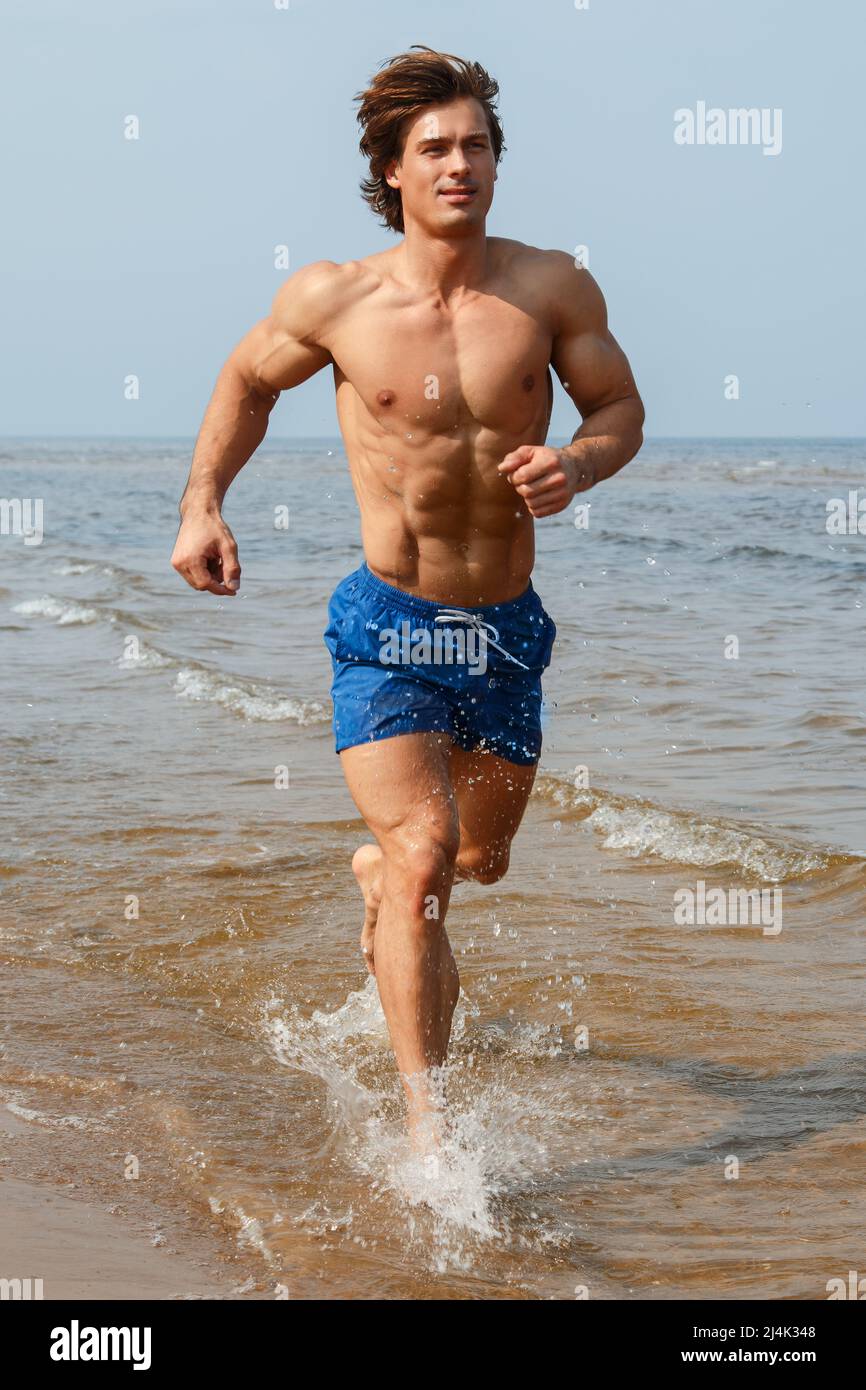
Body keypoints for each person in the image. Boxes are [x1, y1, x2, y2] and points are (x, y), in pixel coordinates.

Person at [171, 45, 644, 1151]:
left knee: (474, 861)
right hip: (387, 623)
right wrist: (203, 504)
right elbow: (246, 381)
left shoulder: (549, 287)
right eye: (434, 147)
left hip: (508, 630)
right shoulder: (335, 297)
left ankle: (383, 878)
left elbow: (617, 404)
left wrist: (576, 462)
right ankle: (428, 1125)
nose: (459, 164)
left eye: (476, 145)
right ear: (390, 169)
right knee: (428, 850)